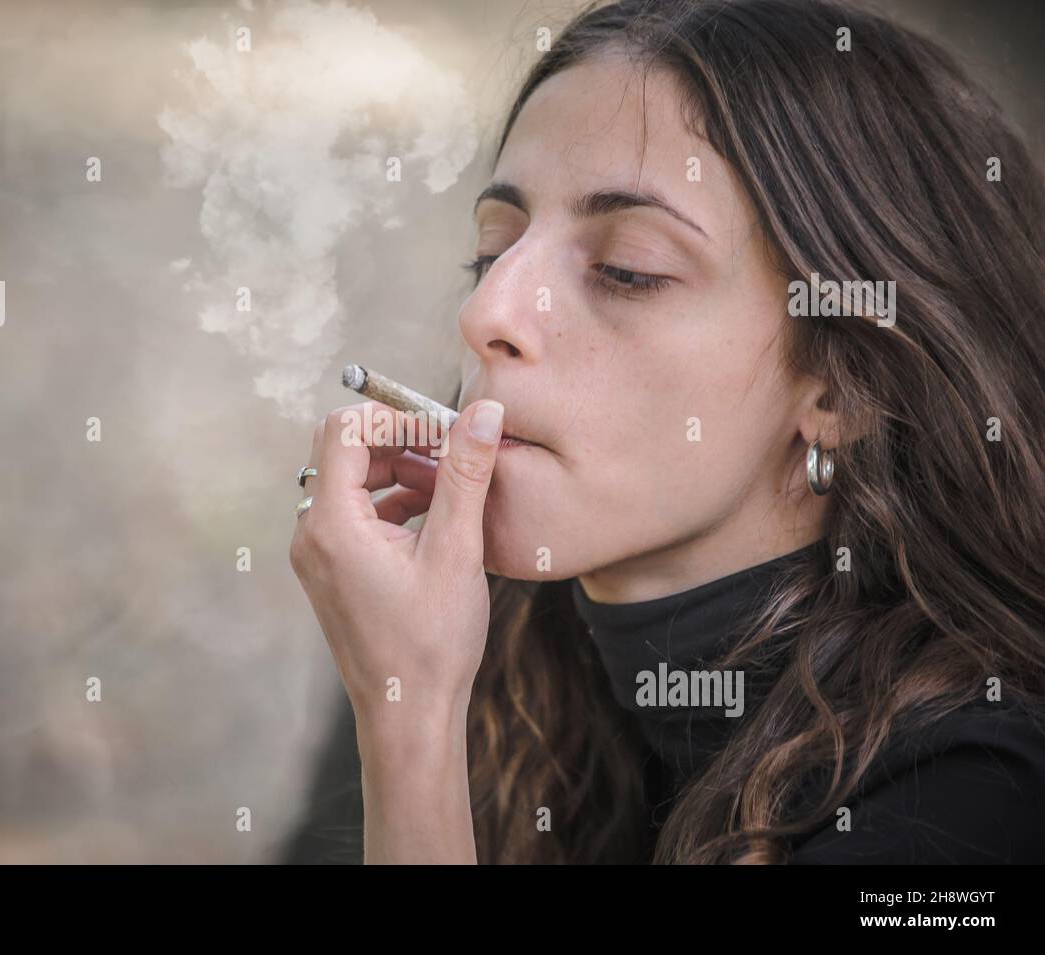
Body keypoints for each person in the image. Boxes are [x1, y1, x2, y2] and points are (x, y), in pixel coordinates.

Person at [286, 0, 1045, 864]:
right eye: (493, 252)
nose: (487, 312)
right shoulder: (454, 634)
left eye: (626, 270)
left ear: (843, 387)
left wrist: (409, 722)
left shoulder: (975, 802)